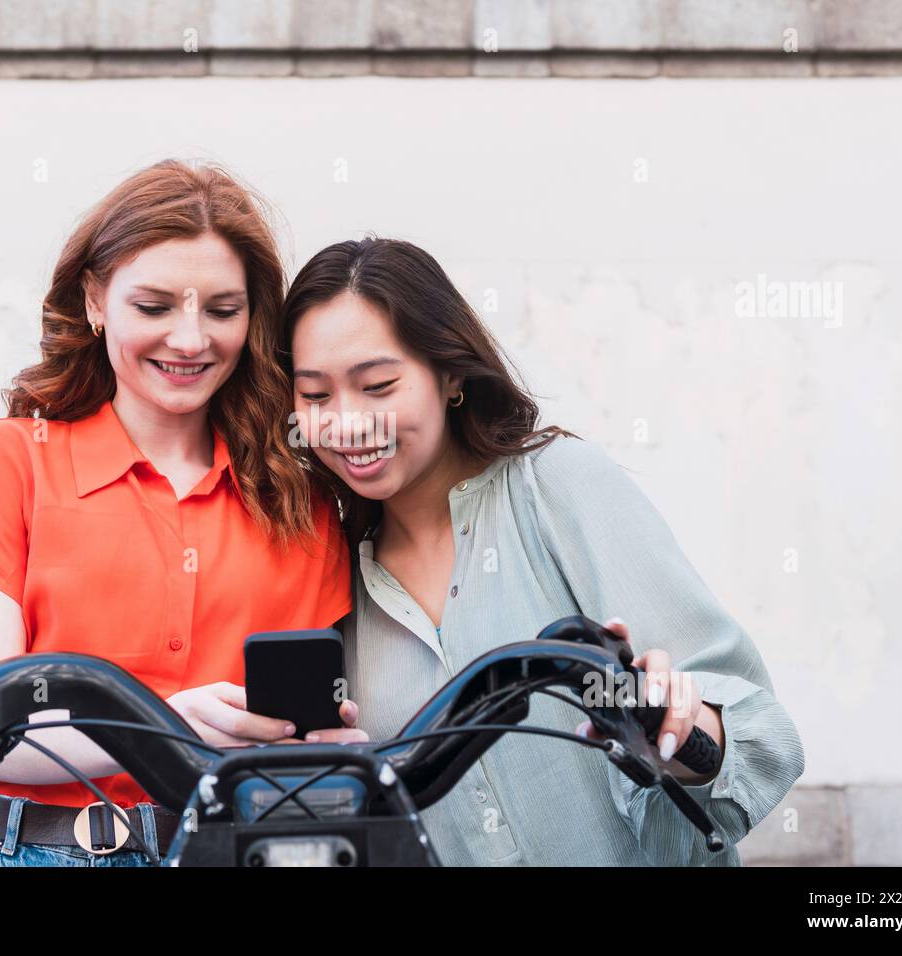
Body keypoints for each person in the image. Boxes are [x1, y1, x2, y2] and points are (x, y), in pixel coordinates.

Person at [0, 160, 366, 868]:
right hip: (14, 850)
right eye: (153, 307)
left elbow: (300, 741)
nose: (189, 339)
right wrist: (165, 726)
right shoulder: (11, 462)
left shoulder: (302, 502)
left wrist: (319, 749)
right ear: (94, 301)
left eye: (221, 309)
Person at [280, 236, 805, 865]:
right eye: (314, 396)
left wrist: (685, 730)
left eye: (378, 385)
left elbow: (761, 733)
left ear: (450, 376)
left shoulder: (559, 486)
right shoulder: (330, 577)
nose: (345, 422)